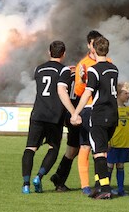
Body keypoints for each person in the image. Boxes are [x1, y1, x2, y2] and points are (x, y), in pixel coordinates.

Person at [69, 35, 119, 200]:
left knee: (98, 153)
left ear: (94, 50)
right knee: (102, 149)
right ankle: (98, 186)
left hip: (99, 113)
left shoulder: (94, 70)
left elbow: (87, 93)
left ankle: (105, 188)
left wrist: (75, 112)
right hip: (113, 114)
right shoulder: (114, 69)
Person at [22, 40, 72, 194]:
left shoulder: (39, 69)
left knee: (30, 148)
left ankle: (25, 185)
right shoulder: (64, 71)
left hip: (38, 113)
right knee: (53, 148)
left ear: (49, 52)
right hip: (54, 115)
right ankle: (39, 176)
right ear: (63, 54)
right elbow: (61, 89)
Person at [49, 36, 88, 192]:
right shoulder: (83, 76)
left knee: (74, 149)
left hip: (69, 114)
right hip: (78, 114)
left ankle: (59, 178)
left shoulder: (68, 73)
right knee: (85, 148)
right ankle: (100, 184)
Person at [71, 30, 105, 196]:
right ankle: (85, 185)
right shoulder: (83, 64)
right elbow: (78, 91)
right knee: (85, 146)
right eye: (93, 44)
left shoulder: (108, 62)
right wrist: (83, 81)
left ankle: (101, 183)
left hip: (103, 109)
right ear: (89, 45)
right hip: (88, 109)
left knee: (102, 149)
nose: (95, 46)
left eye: (98, 43)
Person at [107, 82, 129, 196]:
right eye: (125, 93)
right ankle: (106, 187)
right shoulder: (112, 109)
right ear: (117, 94)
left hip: (124, 144)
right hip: (113, 143)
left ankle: (121, 189)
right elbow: (108, 127)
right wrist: (108, 141)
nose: (128, 95)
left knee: (121, 165)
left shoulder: (128, 110)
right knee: (110, 165)